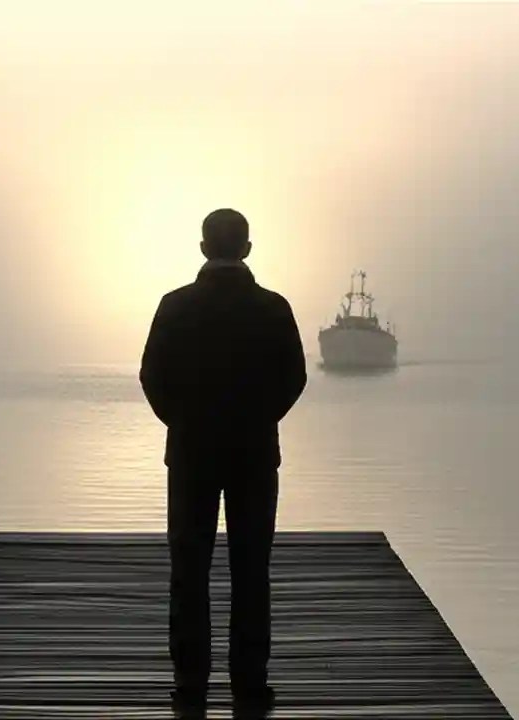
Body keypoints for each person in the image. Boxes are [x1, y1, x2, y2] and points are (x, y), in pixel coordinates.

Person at [140, 208, 307, 711]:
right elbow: (293, 377)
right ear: (248, 249)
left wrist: (182, 422)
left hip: (190, 453)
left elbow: (152, 376)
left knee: (188, 568)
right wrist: (259, 419)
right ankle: (249, 681)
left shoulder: (175, 306)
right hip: (255, 453)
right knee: (251, 569)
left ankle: (190, 681)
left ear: (202, 248)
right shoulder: (274, 308)